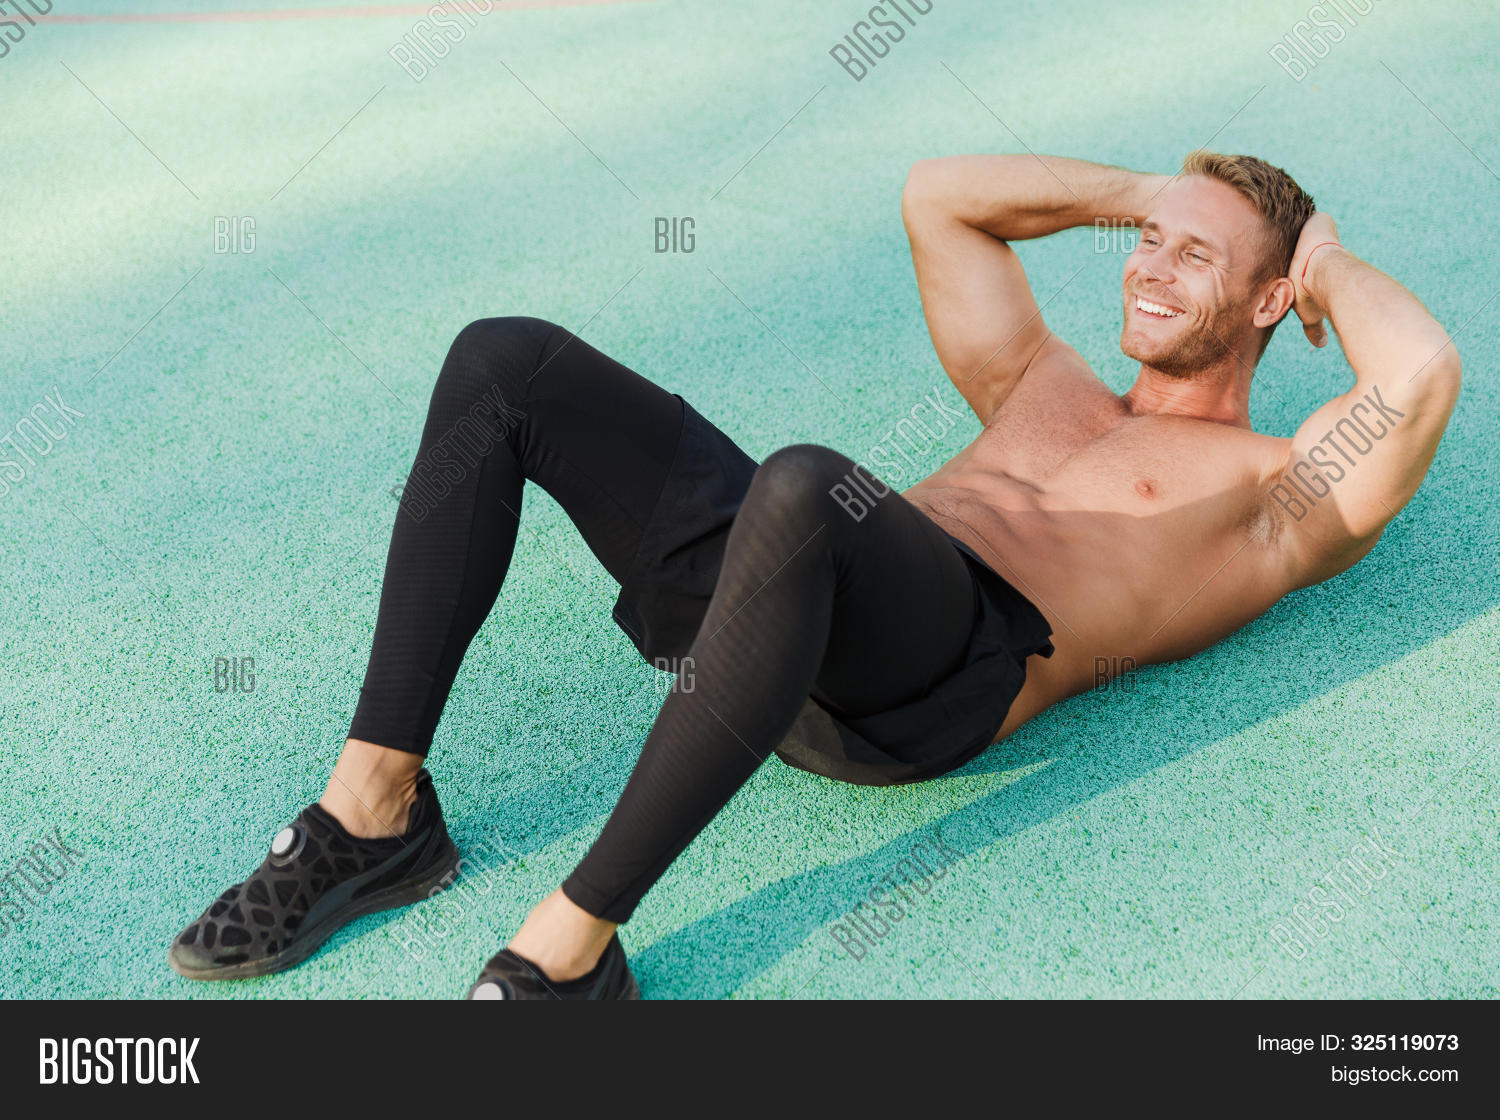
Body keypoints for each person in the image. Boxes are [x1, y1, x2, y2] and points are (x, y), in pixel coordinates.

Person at [169, 150, 1460, 999]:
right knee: (507, 363)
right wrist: (1150, 192)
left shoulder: (1271, 489)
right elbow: (939, 194)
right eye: (1146, 242)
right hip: (772, 610)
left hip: (930, 686)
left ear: (1266, 299)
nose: (1147, 264)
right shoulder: (1045, 383)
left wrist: (1325, 267)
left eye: (1193, 256)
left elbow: (1417, 377)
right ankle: (376, 815)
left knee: (805, 482)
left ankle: (571, 951)